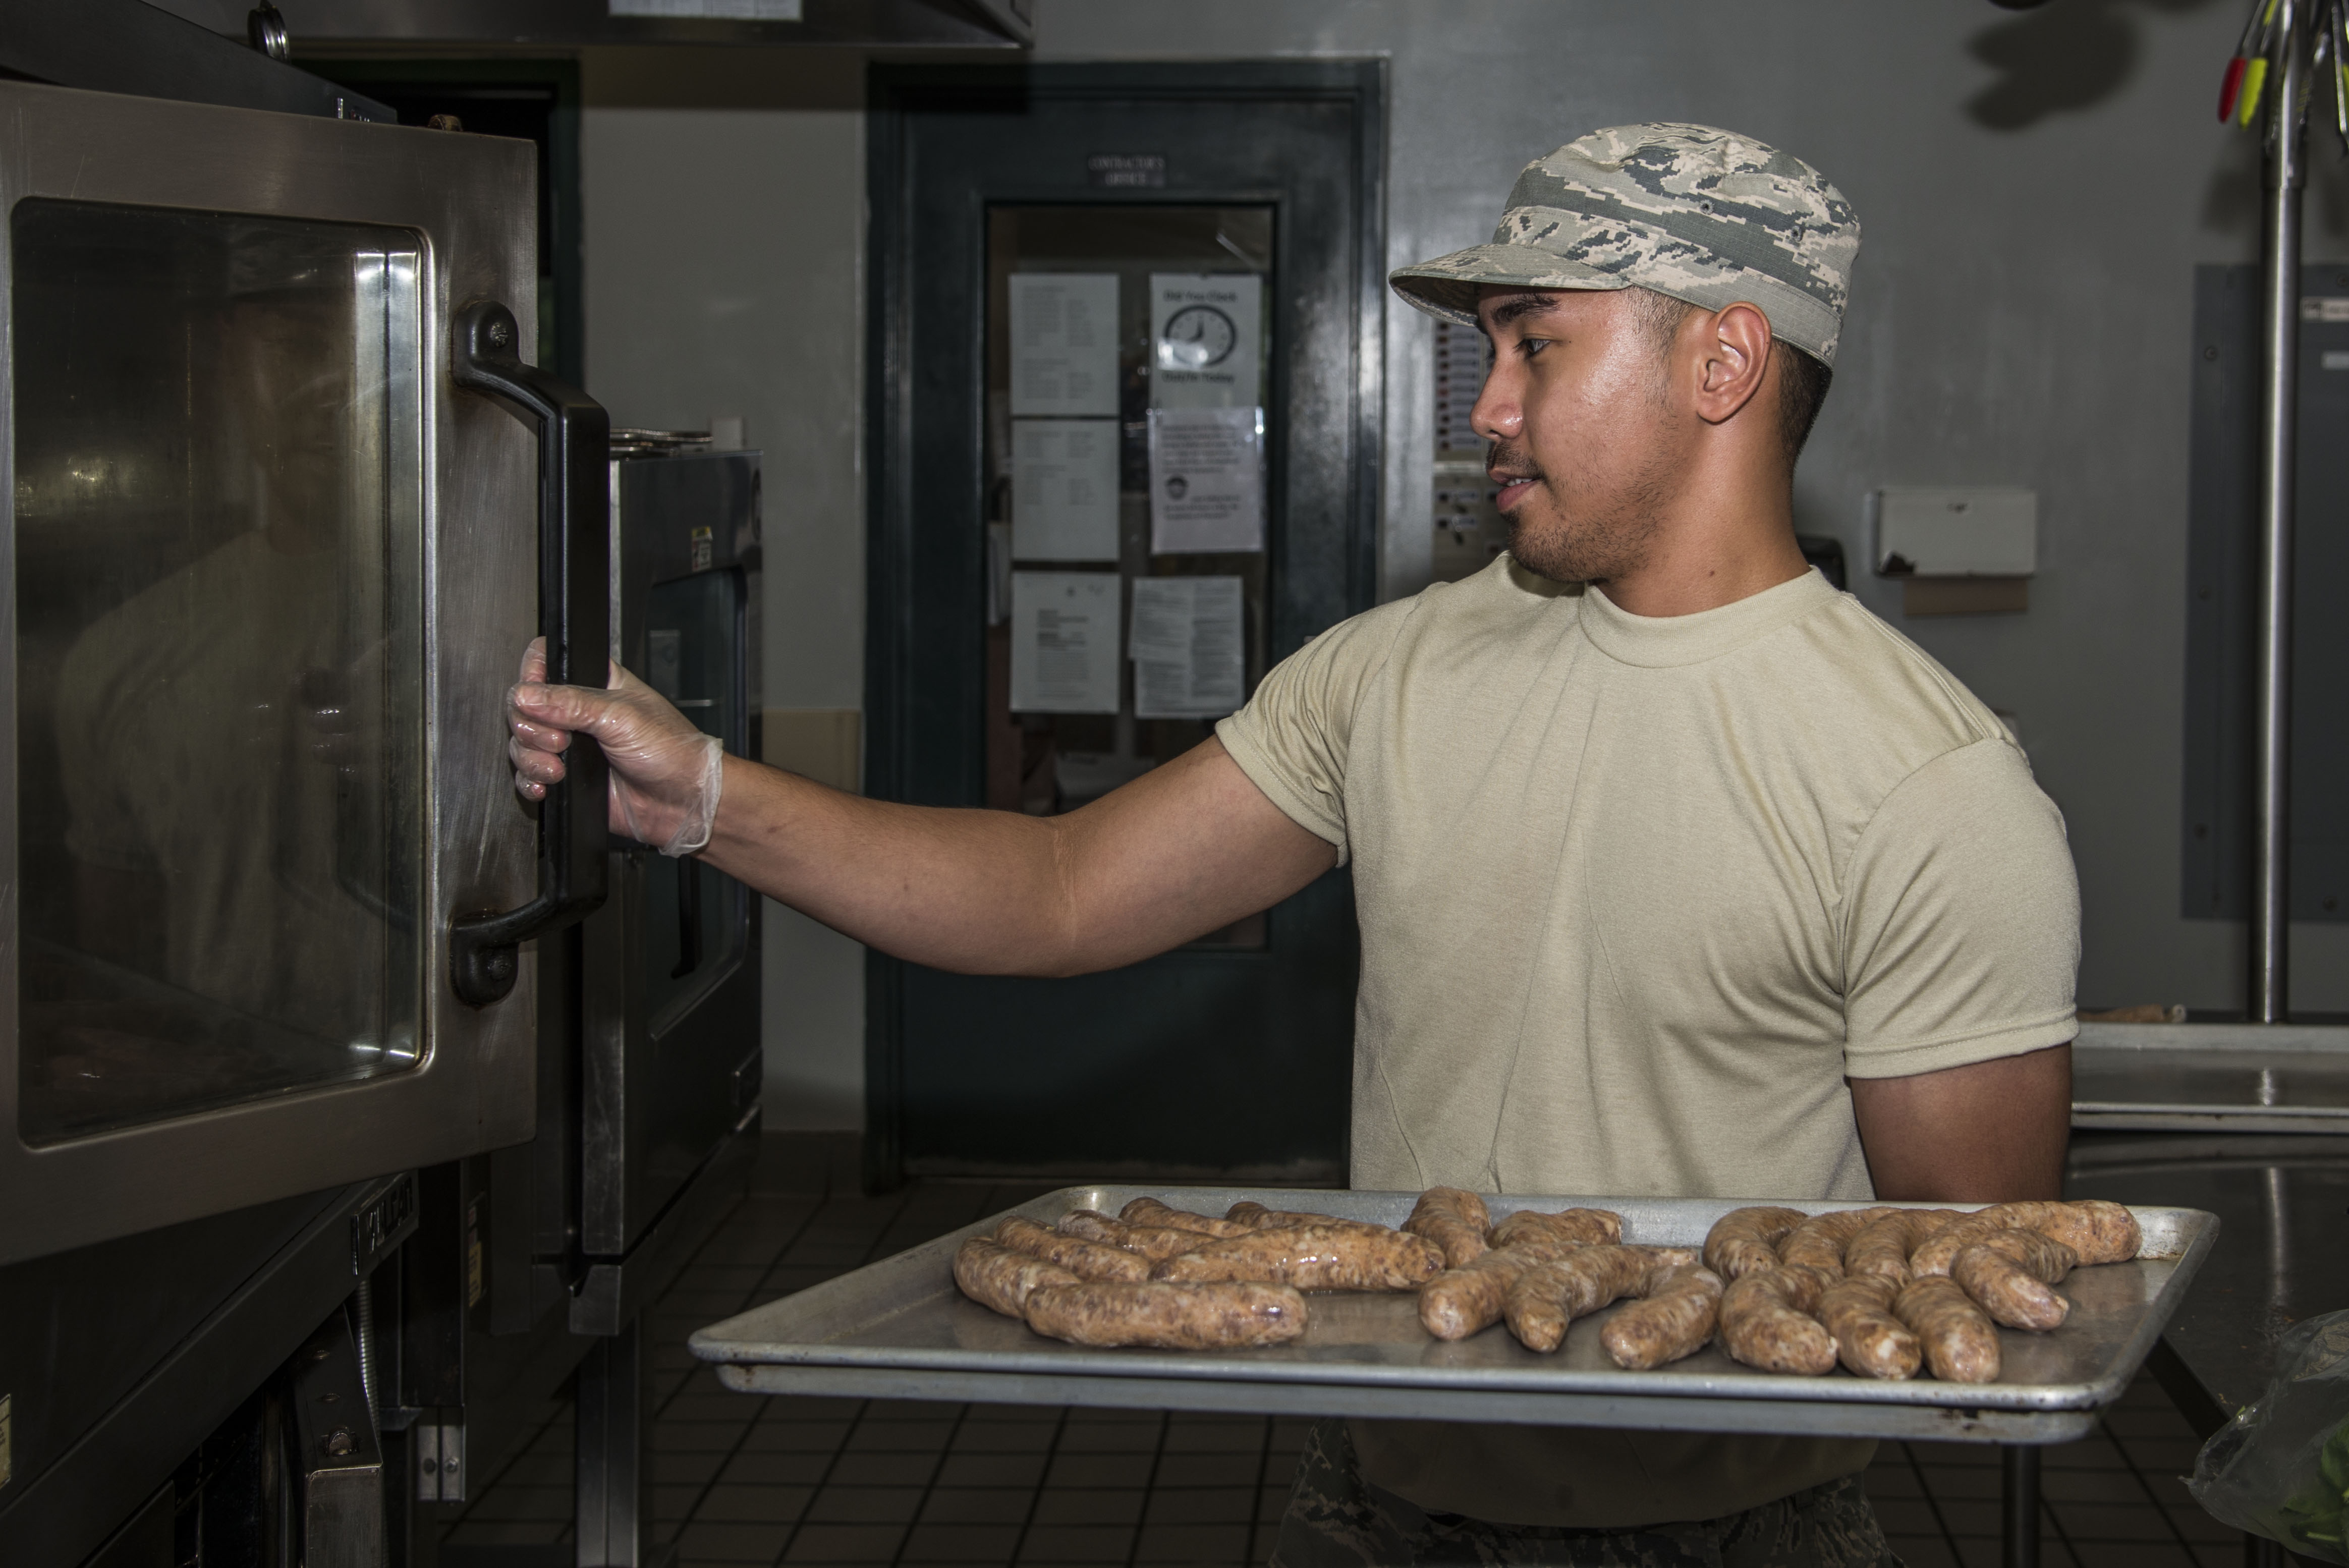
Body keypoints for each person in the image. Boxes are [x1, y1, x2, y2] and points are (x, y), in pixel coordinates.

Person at [507, 124, 2080, 1565]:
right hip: (1377, 1494)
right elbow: (1059, 892)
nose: (1488, 407)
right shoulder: (1392, 674)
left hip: (1736, 1527)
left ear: (1724, 363)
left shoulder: (1924, 784)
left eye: (1537, 344)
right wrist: (702, 794)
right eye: (1488, 352)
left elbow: (1966, 1275)